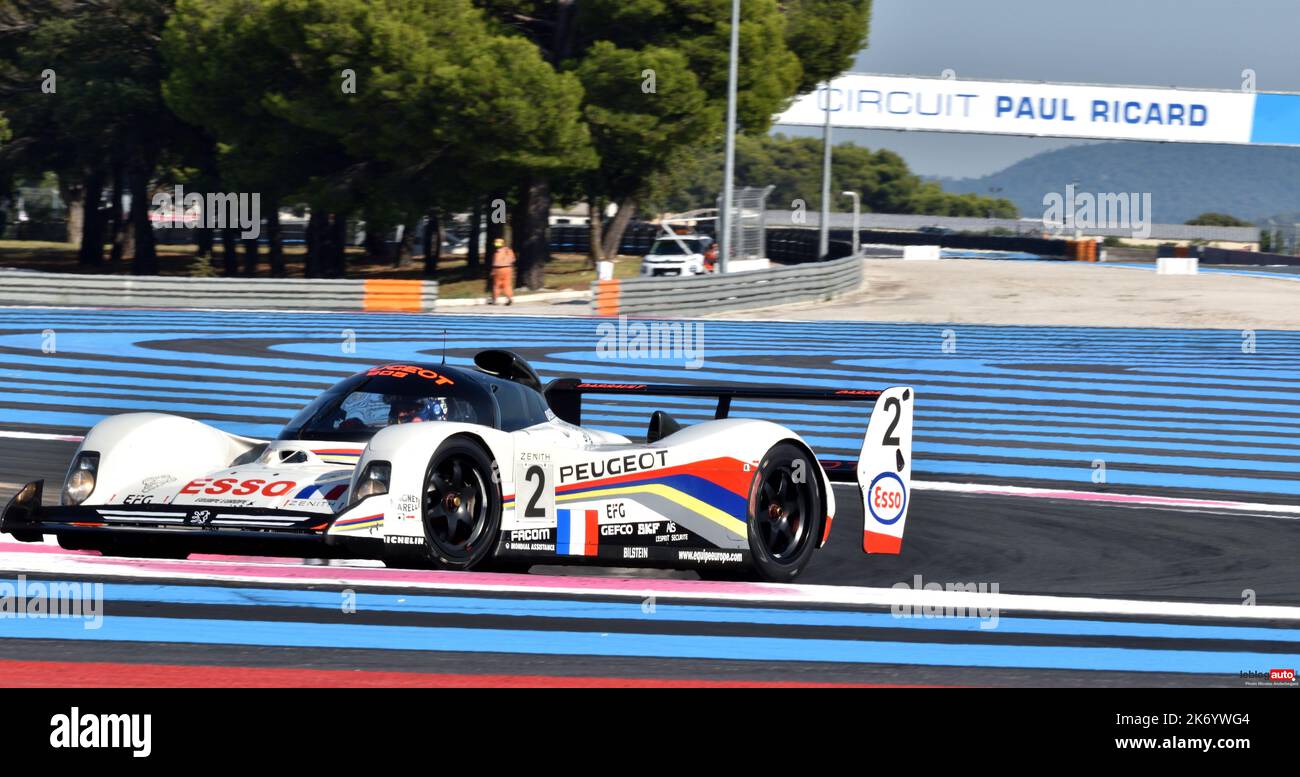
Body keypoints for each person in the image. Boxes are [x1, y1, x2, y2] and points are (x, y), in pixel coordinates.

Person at [490, 237, 516, 305]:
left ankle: (495, 300)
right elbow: (513, 260)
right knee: (507, 284)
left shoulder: (496, 253)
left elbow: (495, 262)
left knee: (497, 285)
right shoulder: (509, 250)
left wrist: (493, 271)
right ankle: (509, 298)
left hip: (498, 269)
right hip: (508, 269)